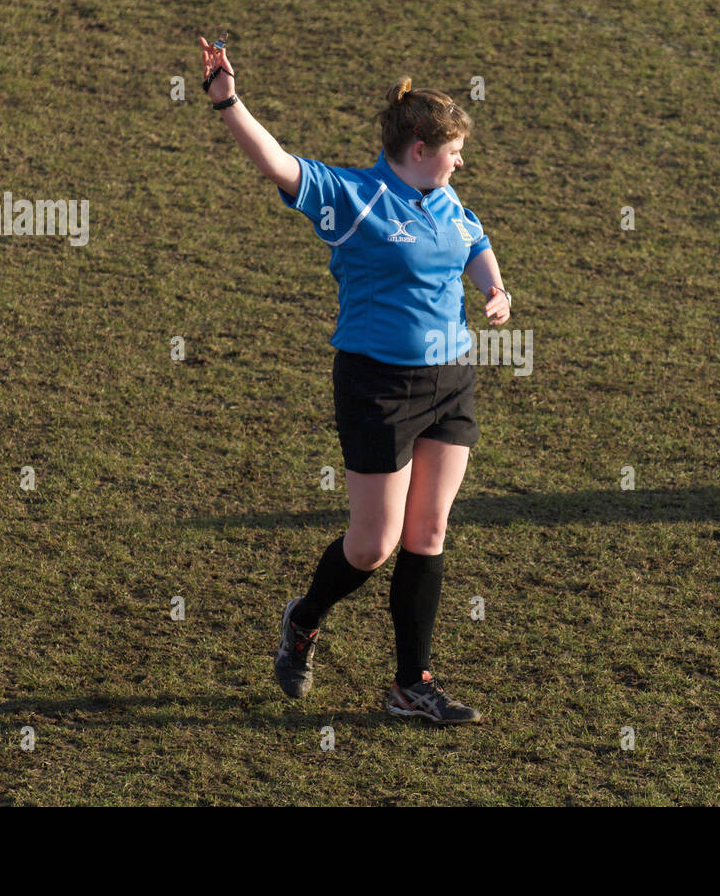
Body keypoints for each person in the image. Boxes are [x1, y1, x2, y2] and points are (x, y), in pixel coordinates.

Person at [198, 37, 511, 724]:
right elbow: (277, 163)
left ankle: (411, 684)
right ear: (420, 147)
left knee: (429, 530)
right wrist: (227, 100)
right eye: (454, 149)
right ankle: (305, 619)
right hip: (378, 385)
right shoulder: (356, 198)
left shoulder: (446, 196)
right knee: (374, 543)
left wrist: (494, 289)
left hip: (452, 380)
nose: (462, 160)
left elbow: (475, 242)